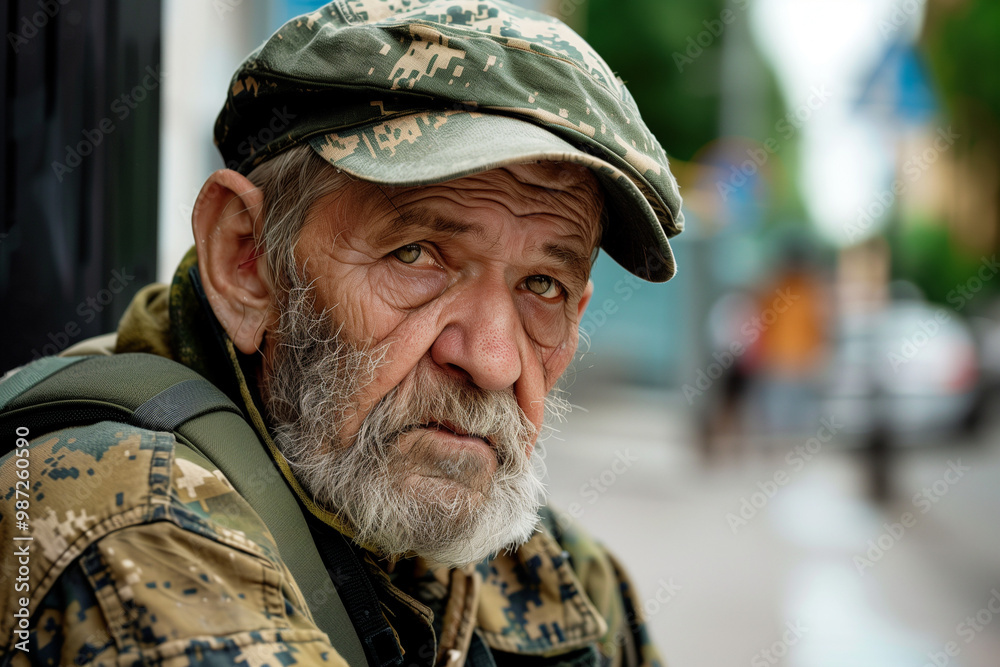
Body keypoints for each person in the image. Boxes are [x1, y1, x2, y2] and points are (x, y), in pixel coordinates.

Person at [0, 1, 684, 665]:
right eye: (416, 253)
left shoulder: (562, 575)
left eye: (543, 286)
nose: (494, 360)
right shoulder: (122, 517)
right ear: (247, 261)